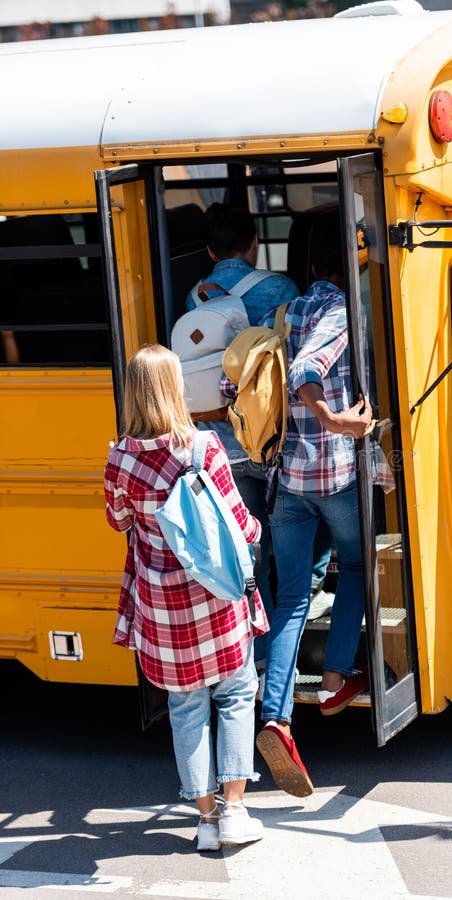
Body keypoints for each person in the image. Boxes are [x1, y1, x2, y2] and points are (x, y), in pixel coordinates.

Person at [104, 344, 269, 849]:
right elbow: (240, 525)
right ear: (175, 388)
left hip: (162, 605)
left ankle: (205, 823)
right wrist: (258, 528)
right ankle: (235, 809)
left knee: (186, 709)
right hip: (215, 599)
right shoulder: (204, 447)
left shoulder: (119, 458)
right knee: (238, 694)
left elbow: (118, 521)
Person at [255, 211, 377, 798]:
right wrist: (335, 420)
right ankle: (333, 682)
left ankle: (275, 715)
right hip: (331, 475)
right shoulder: (339, 309)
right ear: (349, 254)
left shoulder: (293, 307)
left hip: (288, 482)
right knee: (354, 566)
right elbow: (306, 370)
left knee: (291, 595)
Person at [185, 202, 299, 667]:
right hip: (273, 439)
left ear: (210, 249)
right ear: (255, 242)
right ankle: (278, 653)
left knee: (247, 554)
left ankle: (250, 655)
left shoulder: (193, 296)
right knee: (286, 543)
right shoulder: (282, 288)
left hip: (216, 444)